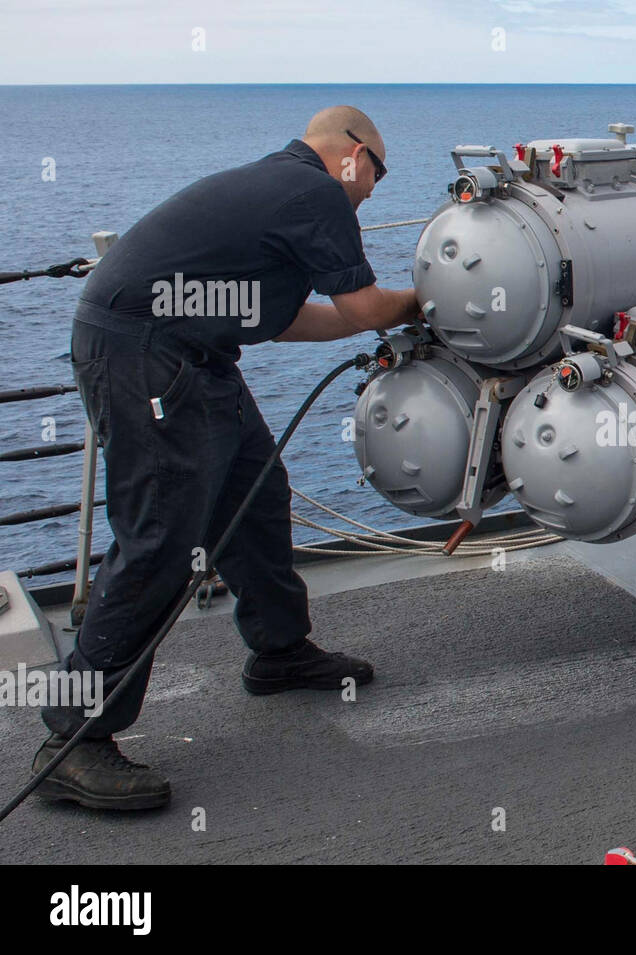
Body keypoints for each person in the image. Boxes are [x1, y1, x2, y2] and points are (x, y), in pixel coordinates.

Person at [32, 106, 420, 810]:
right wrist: (424, 301)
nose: (374, 190)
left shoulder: (279, 189)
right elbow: (363, 308)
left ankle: (279, 648)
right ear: (353, 153)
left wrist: (393, 312)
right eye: (378, 173)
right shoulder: (317, 192)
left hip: (186, 353)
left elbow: (296, 318)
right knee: (158, 540)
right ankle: (71, 737)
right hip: (147, 354)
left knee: (254, 490)